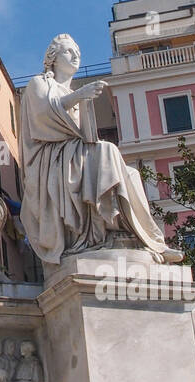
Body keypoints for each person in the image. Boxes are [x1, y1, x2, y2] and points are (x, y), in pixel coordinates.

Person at [19, 34, 183, 266]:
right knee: (107, 152)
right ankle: (102, 228)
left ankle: (141, 238)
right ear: (53, 58)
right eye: (68, 51)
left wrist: (81, 101)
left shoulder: (75, 93)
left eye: (78, 52)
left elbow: (84, 134)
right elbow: (42, 118)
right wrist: (78, 96)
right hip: (50, 157)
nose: (76, 56)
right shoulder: (39, 84)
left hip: (75, 153)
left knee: (132, 174)